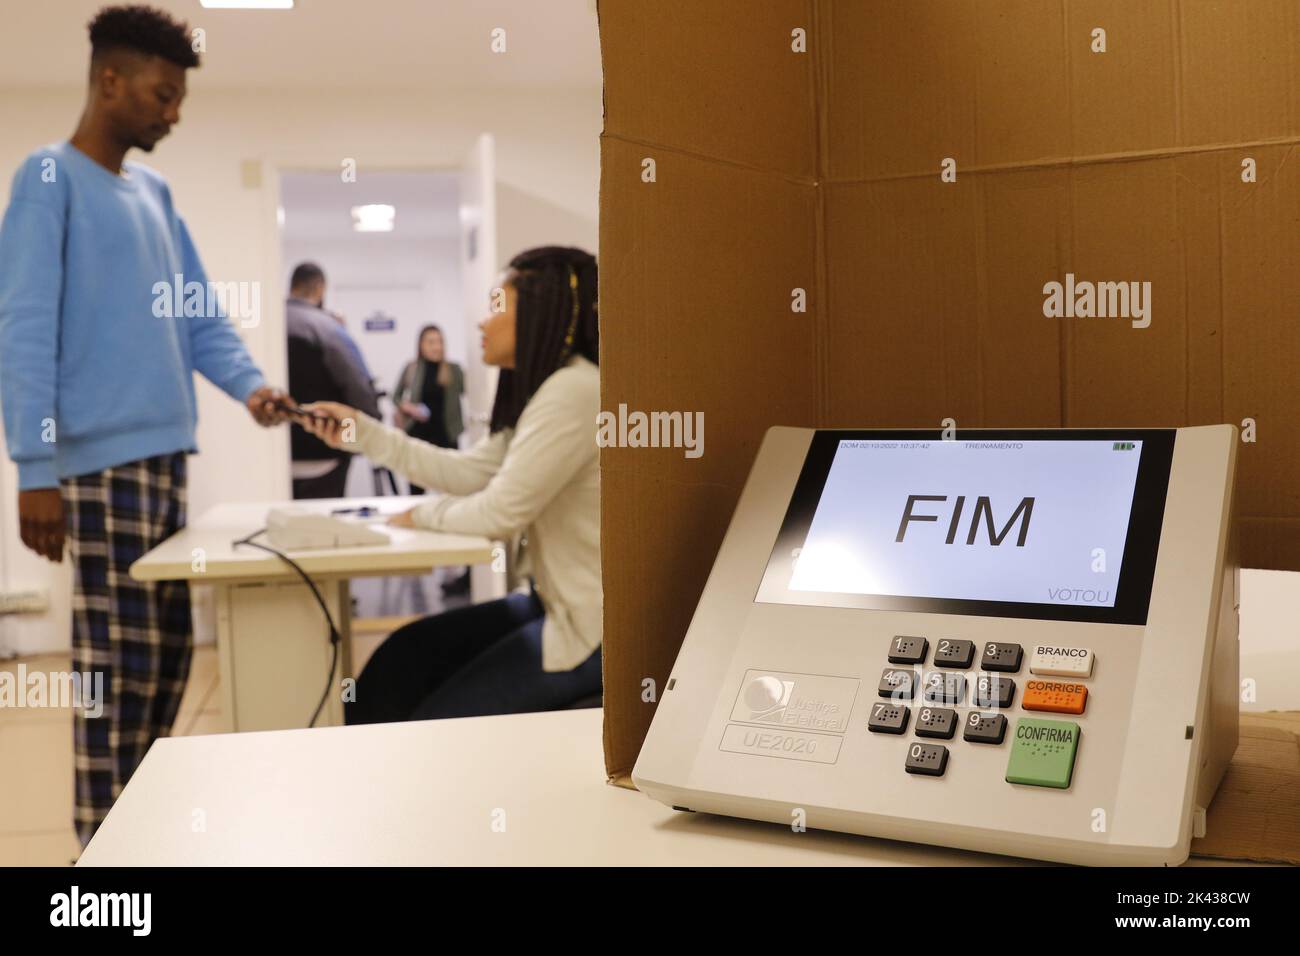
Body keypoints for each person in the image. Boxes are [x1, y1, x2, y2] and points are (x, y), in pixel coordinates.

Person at [0, 4, 288, 847]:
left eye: (180, 99)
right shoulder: (47, 178)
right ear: (109, 81)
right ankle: (104, 848)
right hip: (95, 470)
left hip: (165, 460)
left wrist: (252, 387)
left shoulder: (154, 192)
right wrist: (35, 468)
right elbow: (24, 328)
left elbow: (196, 313)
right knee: (110, 676)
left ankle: (145, 832)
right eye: (162, 95)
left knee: (164, 664)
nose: (173, 113)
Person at [301, 246, 601, 720]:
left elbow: (499, 512)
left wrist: (419, 513)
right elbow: (469, 473)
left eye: (496, 307)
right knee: (400, 660)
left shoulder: (573, 391)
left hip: (588, 631)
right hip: (549, 605)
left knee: (430, 720)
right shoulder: (551, 390)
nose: (484, 323)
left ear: (541, 313)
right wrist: (364, 432)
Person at [285, 262, 380, 499]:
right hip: (326, 450)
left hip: (278, 454)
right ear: (320, 288)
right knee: (324, 529)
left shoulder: (269, 326)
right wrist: (362, 438)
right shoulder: (328, 328)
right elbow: (356, 388)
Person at [392, 323, 470, 593]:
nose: (435, 346)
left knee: (453, 494)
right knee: (416, 493)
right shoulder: (412, 369)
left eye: (439, 341)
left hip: (447, 438)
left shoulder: (455, 370)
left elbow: (475, 391)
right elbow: (395, 397)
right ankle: (416, 552)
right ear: (421, 345)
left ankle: (456, 555)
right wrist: (407, 407)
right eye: (430, 342)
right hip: (418, 439)